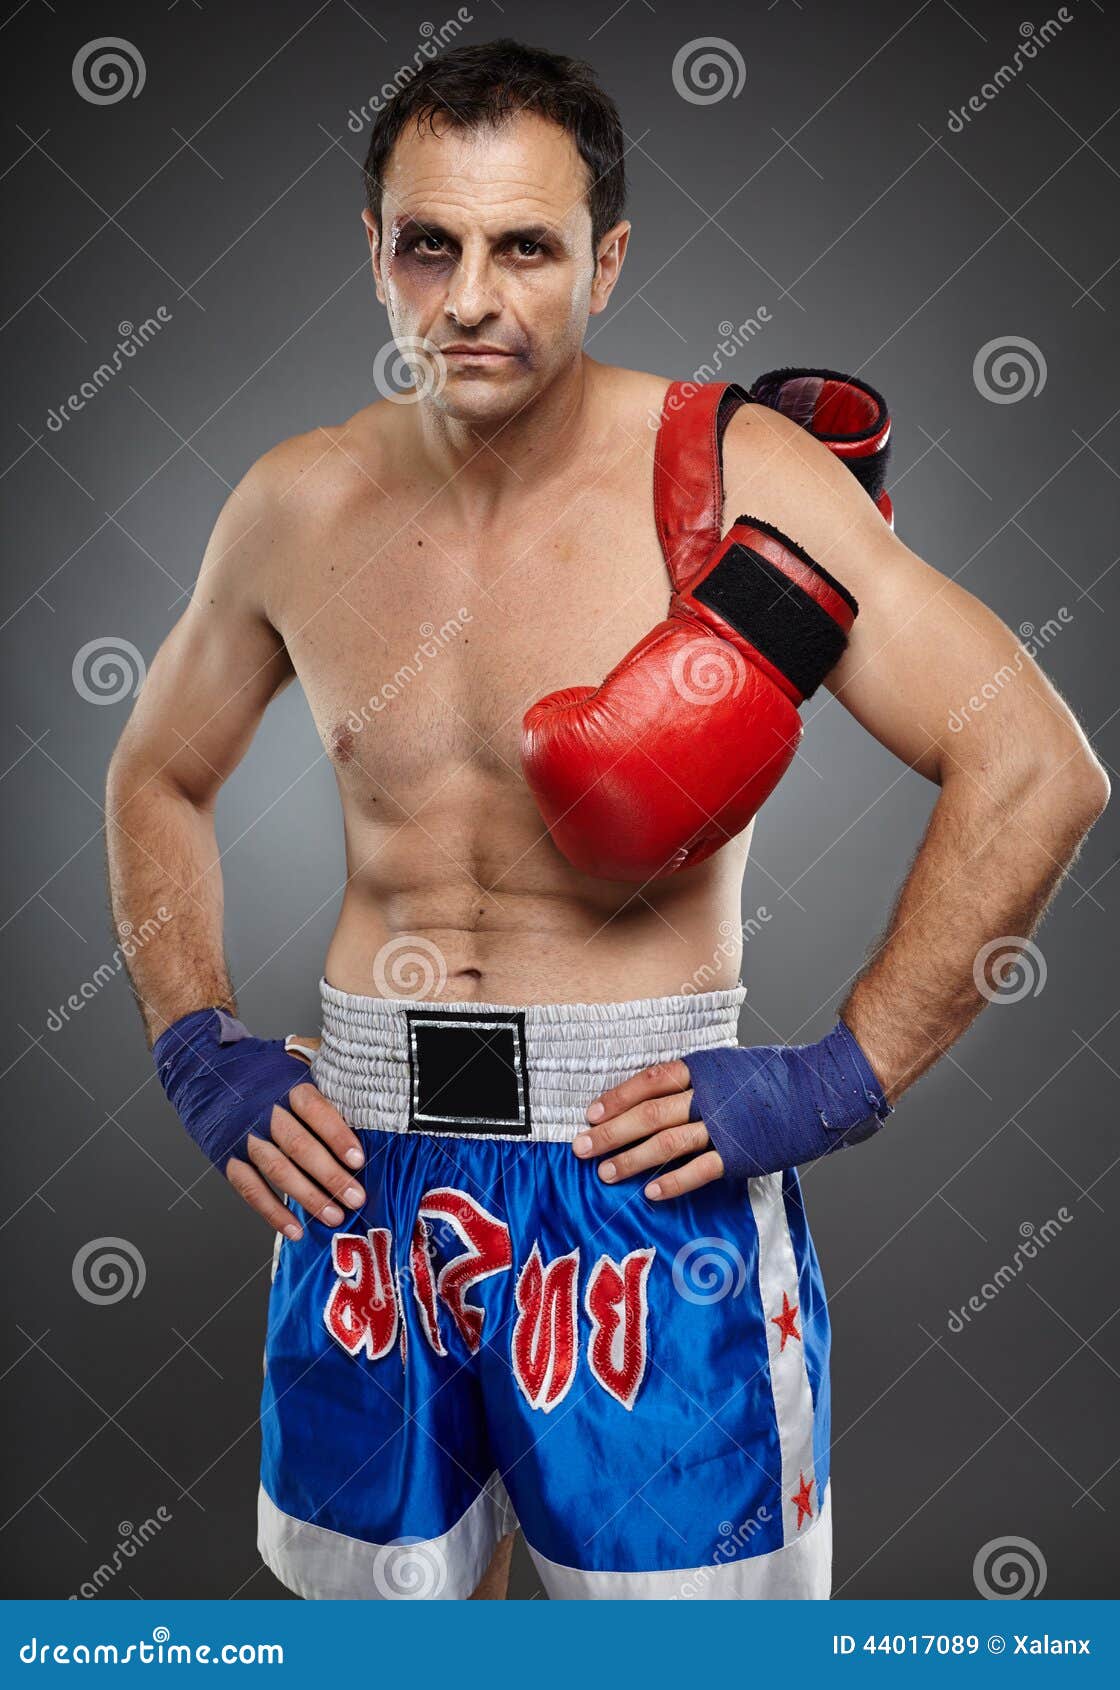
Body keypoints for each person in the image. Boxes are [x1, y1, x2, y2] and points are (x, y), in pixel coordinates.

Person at [105, 38, 1108, 1601]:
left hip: (639, 1181)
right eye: (429, 245)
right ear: (375, 255)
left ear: (608, 257)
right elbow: (154, 774)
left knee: (677, 1648)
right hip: (365, 1176)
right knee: (372, 1635)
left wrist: (844, 1073)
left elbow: (1039, 765)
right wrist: (193, 1037)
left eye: (527, 247)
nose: (473, 297)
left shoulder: (736, 474)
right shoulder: (292, 505)